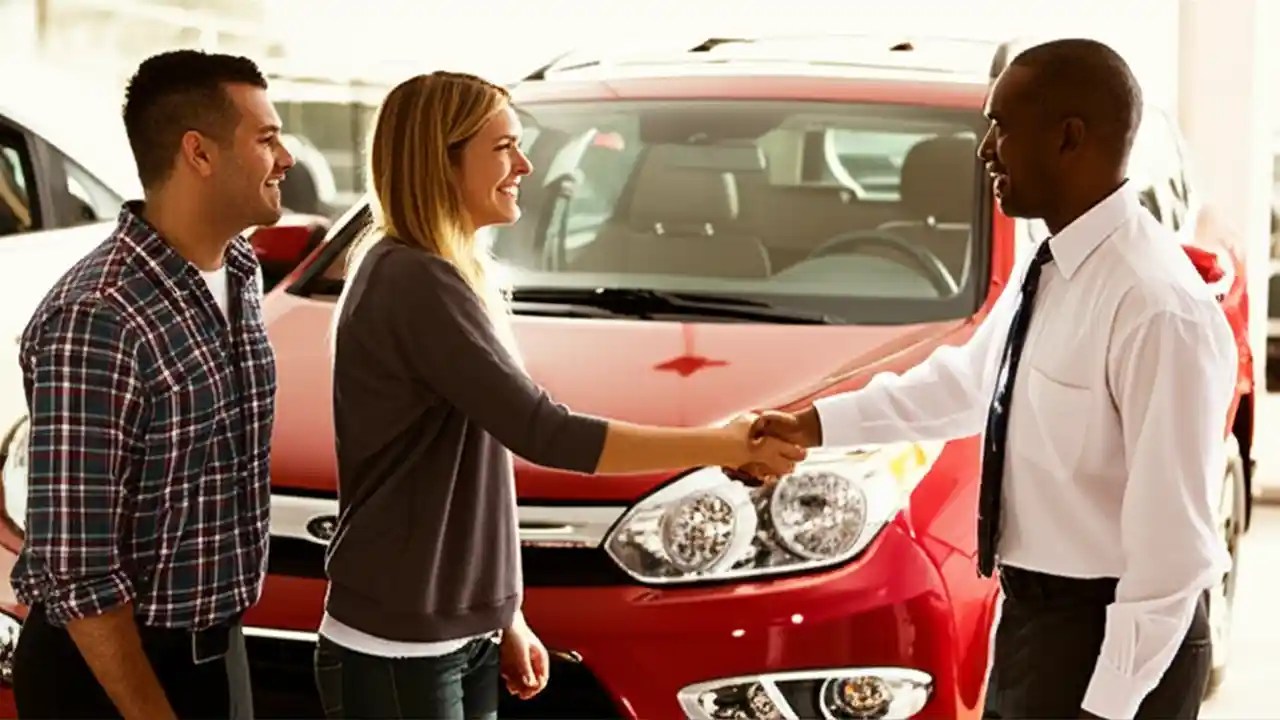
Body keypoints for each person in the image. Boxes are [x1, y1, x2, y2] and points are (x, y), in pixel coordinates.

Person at [757, 39, 1235, 720]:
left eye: (1002, 126)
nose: (985, 150)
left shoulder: (1156, 307)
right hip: (1039, 624)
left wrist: (1108, 703)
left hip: (1114, 642)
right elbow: (968, 387)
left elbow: (1174, 556)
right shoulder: (1051, 259)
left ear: (1069, 138)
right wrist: (813, 426)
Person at [313, 70, 806, 720]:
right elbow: (546, 433)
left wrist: (502, 616)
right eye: (503, 148)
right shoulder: (414, 282)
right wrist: (723, 442)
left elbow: (470, 474)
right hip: (401, 644)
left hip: (449, 633)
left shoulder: (441, 274)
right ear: (442, 160)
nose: (525, 164)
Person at [10, 50, 294, 719]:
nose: (285, 158)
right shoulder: (98, 315)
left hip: (216, 648)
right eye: (266, 138)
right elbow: (77, 567)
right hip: (112, 676)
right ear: (199, 153)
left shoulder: (240, 272)